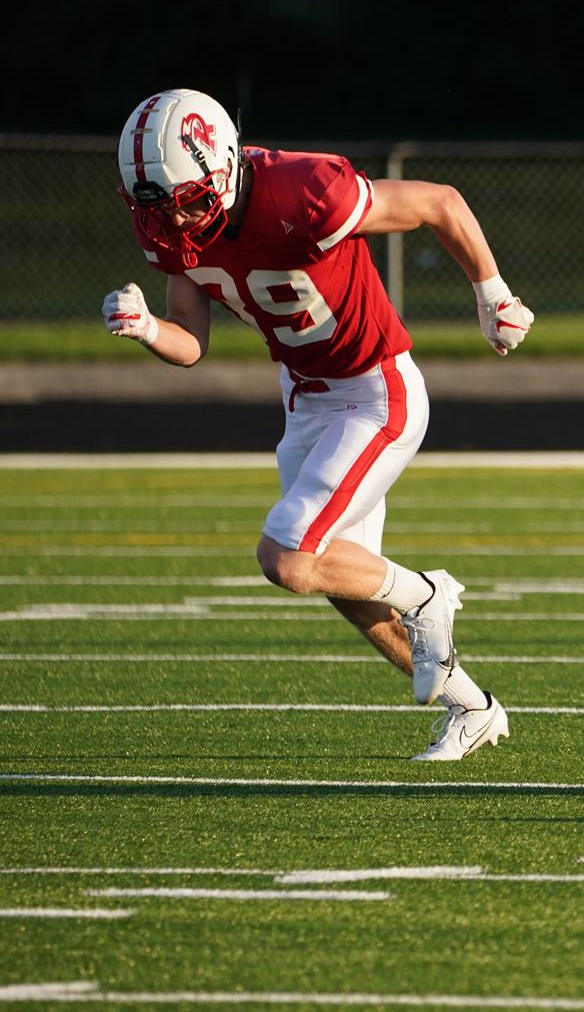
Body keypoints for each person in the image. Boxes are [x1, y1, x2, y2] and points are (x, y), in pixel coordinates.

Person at [102, 88, 535, 761]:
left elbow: (439, 203)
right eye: (155, 204)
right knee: (340, 579)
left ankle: (428, 594)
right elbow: (191, 338)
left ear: (219, 166)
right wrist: (147, 328)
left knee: (288, 555)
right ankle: (471, 705)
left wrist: (493, 293)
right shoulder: (171, 225)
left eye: (183, 199)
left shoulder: (305, 189)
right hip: (304, 398)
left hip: (375, 392)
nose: (173, 218)